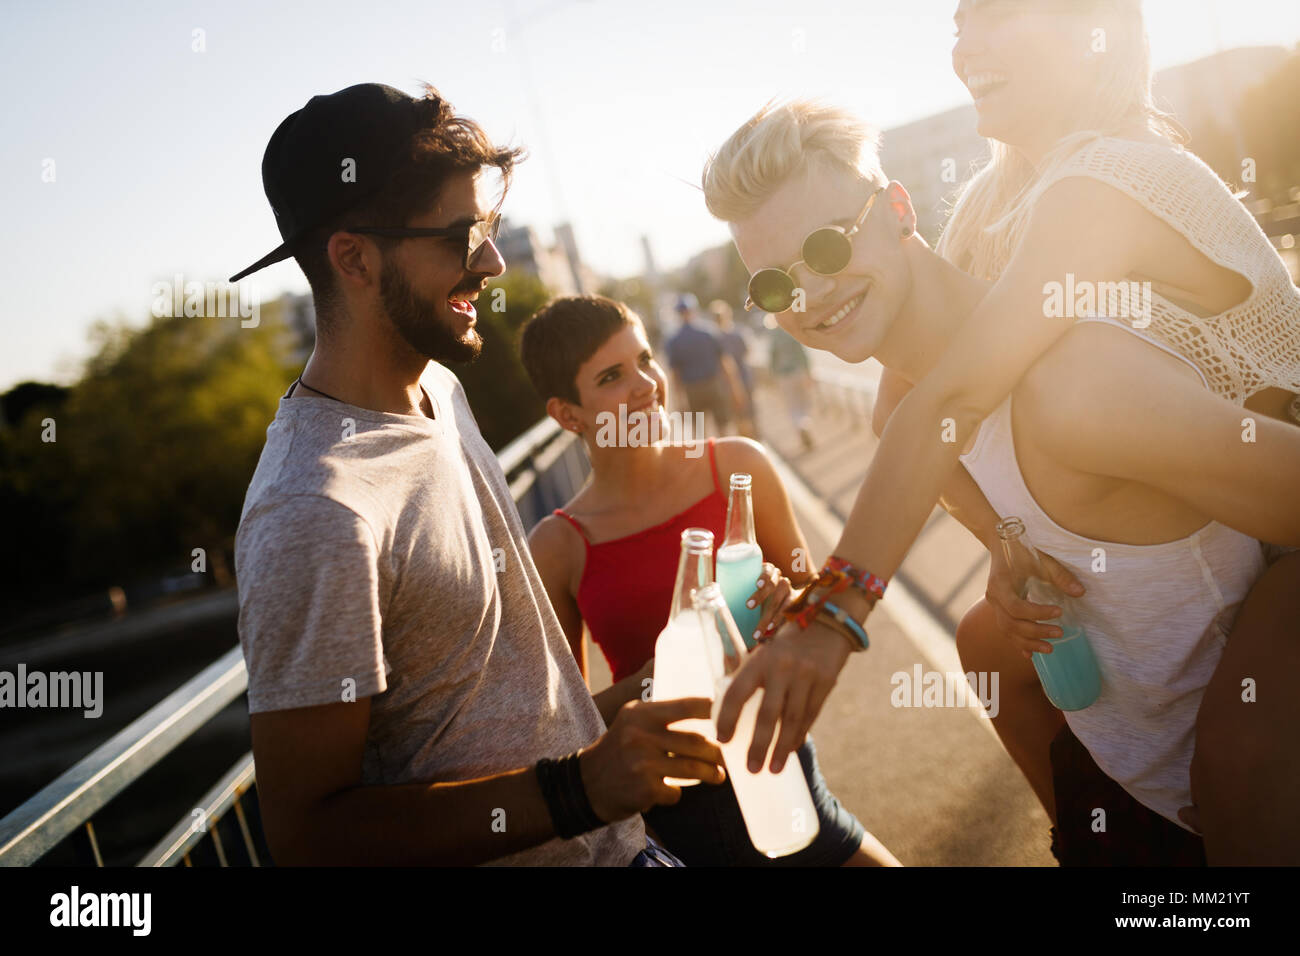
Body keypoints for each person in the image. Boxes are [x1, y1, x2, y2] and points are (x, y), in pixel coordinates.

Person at [701, 90, 1300, 865]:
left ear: (898, 210)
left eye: (823, 249)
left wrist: (1247, 763)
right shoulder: (903, 420)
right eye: (775, 287)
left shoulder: (1075, 384)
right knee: (982, 643)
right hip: (1139, 799)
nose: (808, 296)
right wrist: (1004, 556)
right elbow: (961, 477)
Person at [229, 82, 724, 867]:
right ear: (353, 257)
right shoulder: (313, 511)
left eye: (489, 229)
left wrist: (610, 716)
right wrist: (579, 789)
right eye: (462, 236)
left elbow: (464, 714)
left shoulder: (440, 388)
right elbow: (308, 837)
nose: (491, 261)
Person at [519, 294, 899, 866]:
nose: (646, 383)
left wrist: (786, 600)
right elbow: (563, 728)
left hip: (781, 770)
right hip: (678, 818)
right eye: (612, 376)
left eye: (645, 359)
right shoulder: (556, 546)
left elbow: (816, 601)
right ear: (568, 415)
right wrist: (659, 681)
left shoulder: (739, 466)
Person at [664, 293, 743, 434]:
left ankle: (707, 456)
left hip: (692, 390)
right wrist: (735, 388)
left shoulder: (674, 340)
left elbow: (675, 374)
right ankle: (725, 455)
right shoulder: (710, 332)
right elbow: (725, 362)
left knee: (700, 432)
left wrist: (679, 401)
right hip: (714, 385)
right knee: (723, 428)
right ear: (694, 310)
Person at [709, 299, 756, 436]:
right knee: (749, 411)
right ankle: (753, 439)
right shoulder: (738, 333)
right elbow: (747, 352)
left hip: (724, 383)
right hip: (743, 376)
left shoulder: (713, 338)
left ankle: (744, 439)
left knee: (735, 414)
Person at [768, 326, 816, 450]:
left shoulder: (774, 337)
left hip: (784, 376)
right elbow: (802, 353)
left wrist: (773, 377)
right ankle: (805, 424)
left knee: (792, 406)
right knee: (804, 403)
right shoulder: (792, 332)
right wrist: (808, 372)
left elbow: (772, 359)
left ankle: (799, 426)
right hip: (798, 372)